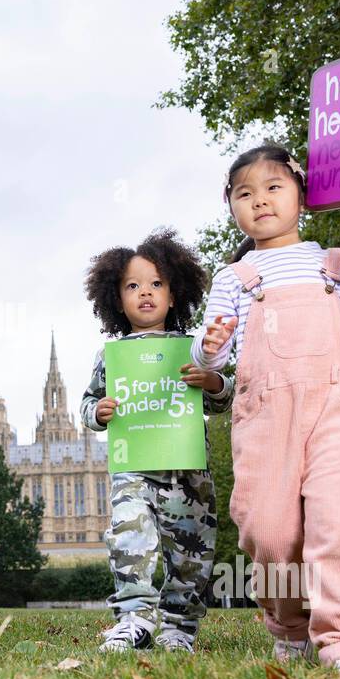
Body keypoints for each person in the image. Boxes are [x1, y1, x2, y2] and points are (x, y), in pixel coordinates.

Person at [192, 144, 340, 676]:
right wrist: (211, 345)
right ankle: (290, 625)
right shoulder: (234, 277)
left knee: (336, 519)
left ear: (303, 198)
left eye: (273, 187)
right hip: (265, 412)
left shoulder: (337, 261)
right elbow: (208, 349)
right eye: (245, 193)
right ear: (232, 207)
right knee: (268, 528)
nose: (260, 200)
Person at [77, 228, 233, 653]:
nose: (145, 293)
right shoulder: (110, 355)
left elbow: (225, 397)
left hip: (188, 471)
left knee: (192, 553)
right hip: (133, 469)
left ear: (174, 293)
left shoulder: (194, 348)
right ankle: (135, 619)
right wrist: (99, 412)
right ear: (116, 298)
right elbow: (88, 405)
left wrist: (212, 380)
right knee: (129, 537)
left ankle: (179, 627)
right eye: (132, 286)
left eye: (156, 284)